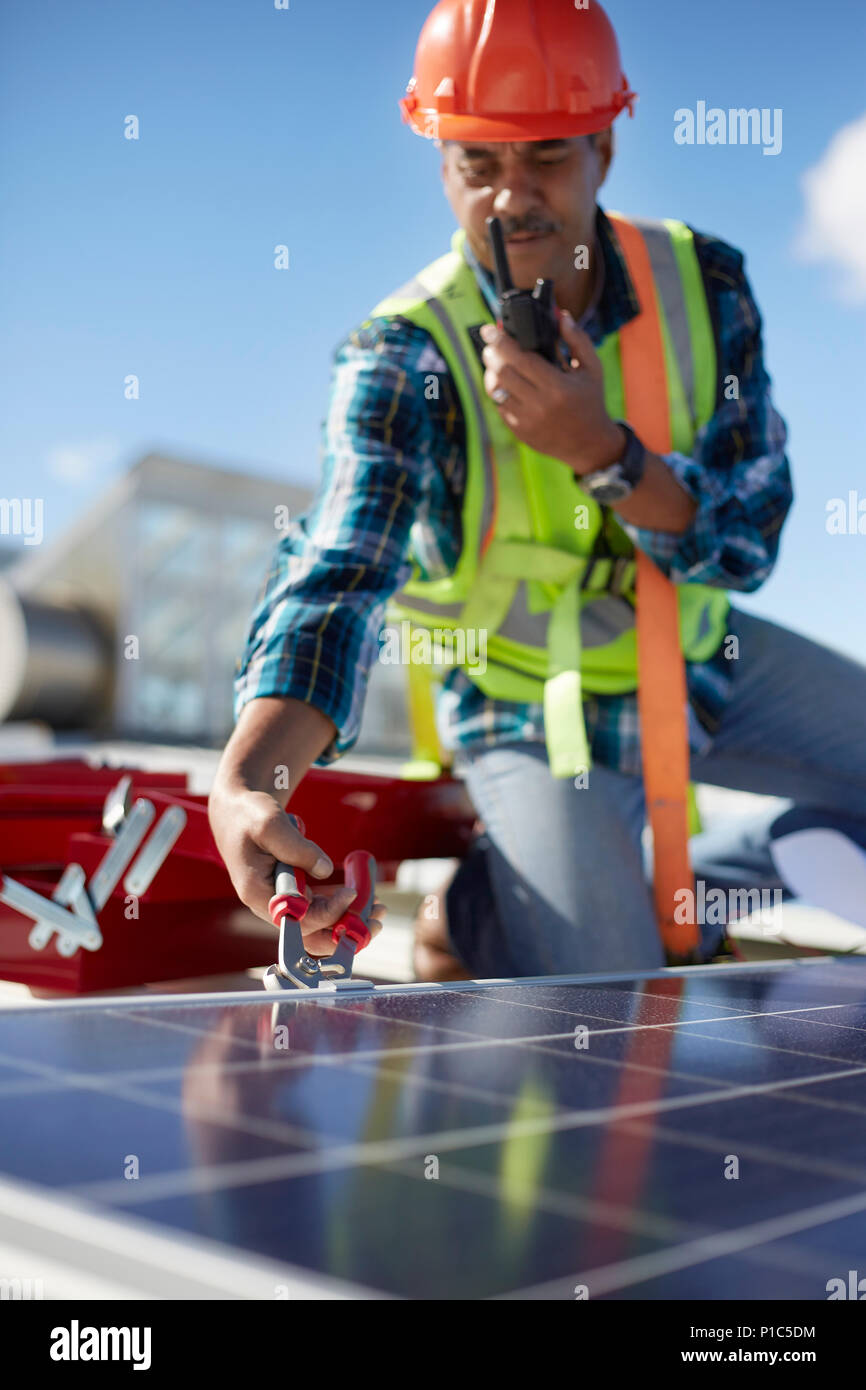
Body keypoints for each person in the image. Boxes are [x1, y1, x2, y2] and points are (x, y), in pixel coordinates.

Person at [209, 0, 866, 980]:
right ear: (440, 165)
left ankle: (708, 872)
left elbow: (748, 543)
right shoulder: (403, 350)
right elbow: (341, 571)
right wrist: (246, 778)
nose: (511, 198)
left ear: (603, 145)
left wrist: (602, 451)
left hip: (697, 656)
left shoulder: (705, 282)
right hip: (525, 702)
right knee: (613, 1004)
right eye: (477, 163)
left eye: (546, 156)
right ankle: (485, 909)